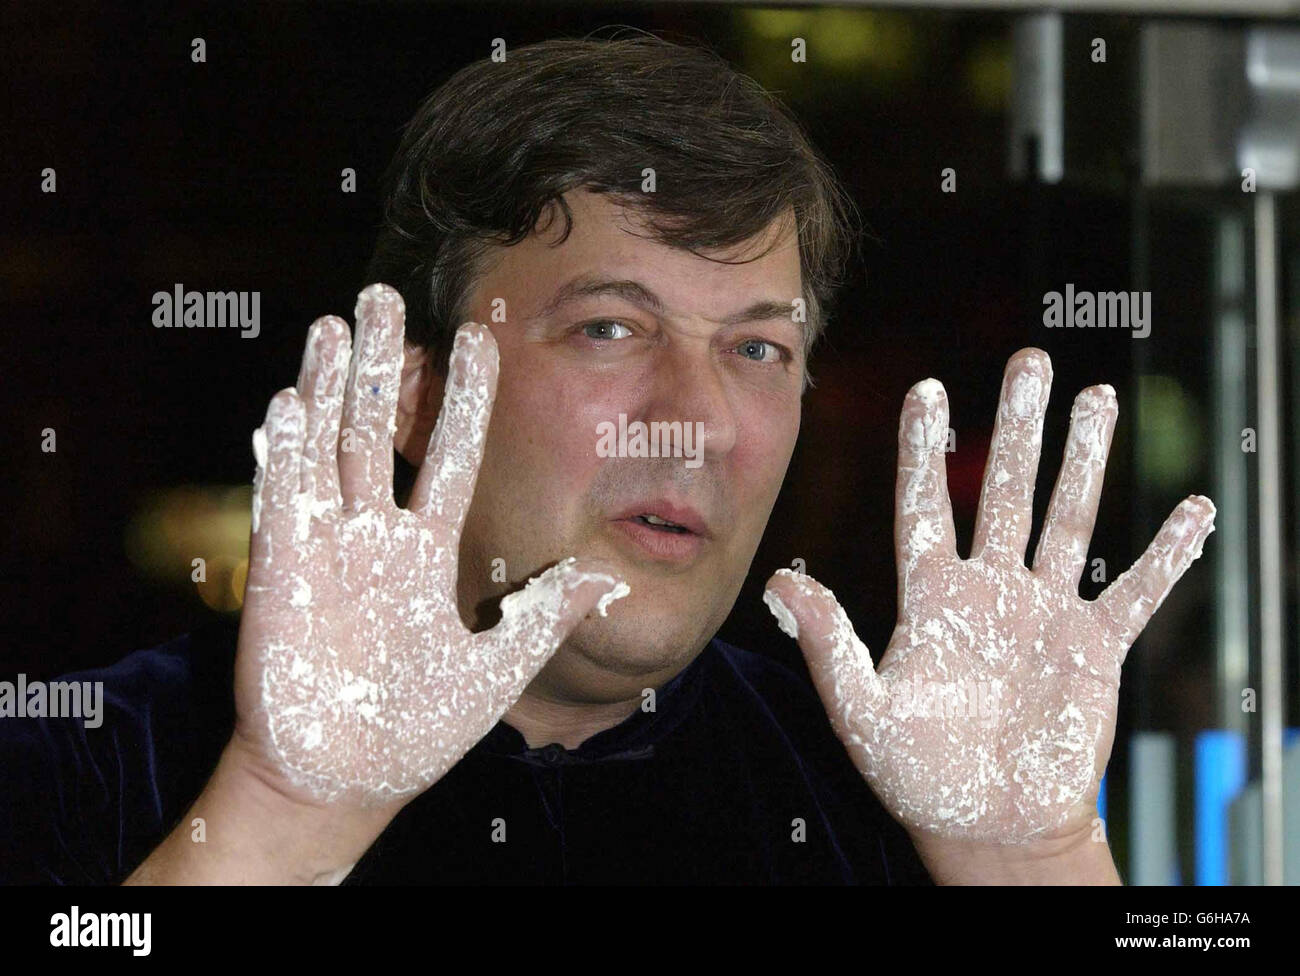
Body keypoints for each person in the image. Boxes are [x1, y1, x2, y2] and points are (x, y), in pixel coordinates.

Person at [1, 34, 1215, 886]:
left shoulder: (894, 802)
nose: (692, 418)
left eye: (754, 347)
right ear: (413, 396)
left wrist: (1030, 864)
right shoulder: (96, 762)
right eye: (609, 328)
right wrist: (279, 823)